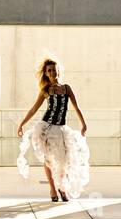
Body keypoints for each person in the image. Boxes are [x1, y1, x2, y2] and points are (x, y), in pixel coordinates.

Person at [16, 57, 90, 201]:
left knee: (63, 160)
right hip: (47, 128)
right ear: (46, 73)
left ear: (58, 71)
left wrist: (83, 124)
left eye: (53, 70)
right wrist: (21, 124)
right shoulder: (46, 90)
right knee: (49, 159)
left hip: (62, 129)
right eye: (49, 70)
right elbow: (33, 109)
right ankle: (52, 189)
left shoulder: (66, 88)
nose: (52, 72)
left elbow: (76, 107)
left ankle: (62, 188)